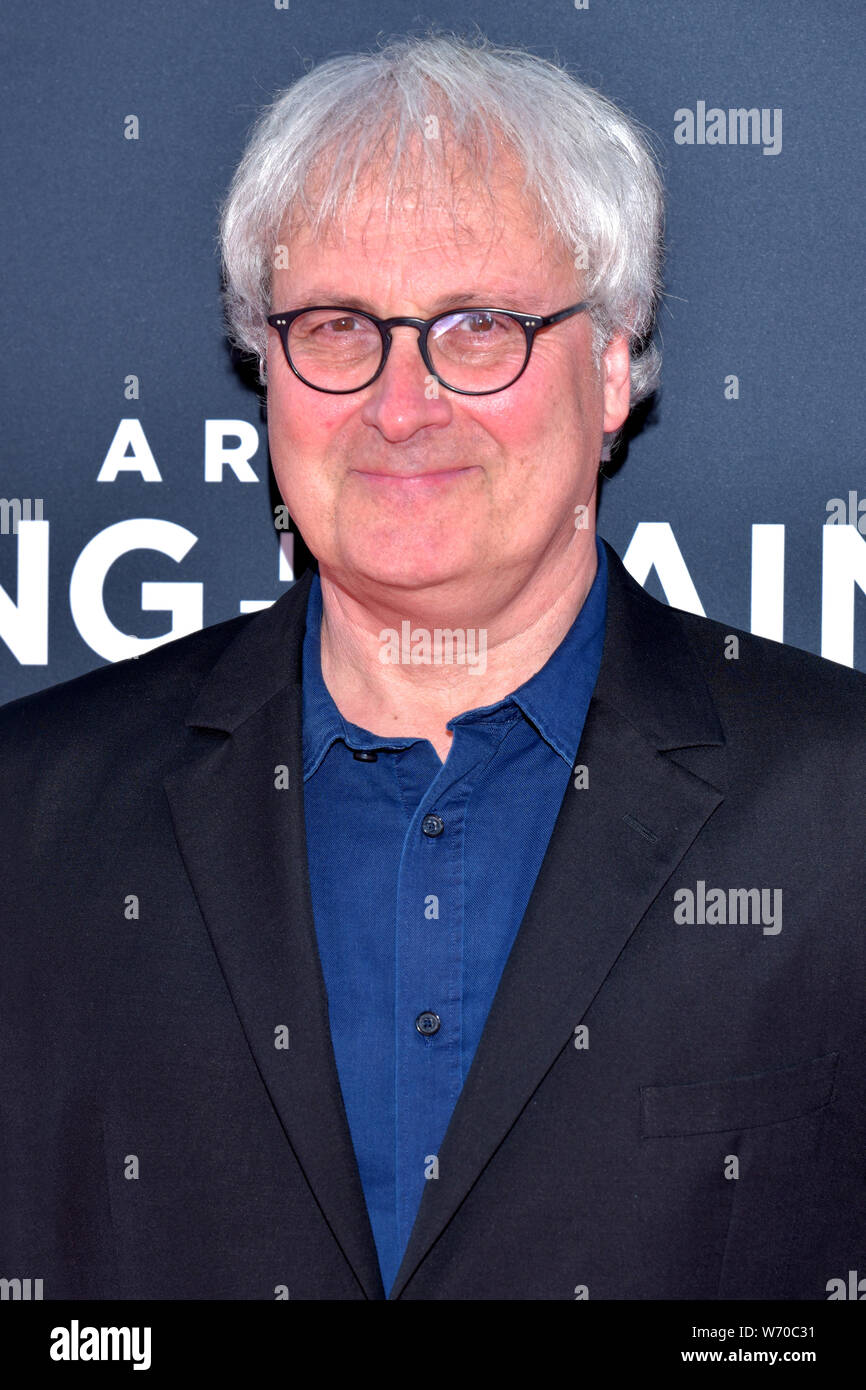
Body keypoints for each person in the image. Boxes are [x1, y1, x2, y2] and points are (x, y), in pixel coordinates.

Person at [1, 33, 863, 1302]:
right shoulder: (32, 820)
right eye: (337, 327)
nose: (400, 407)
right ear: (264, 364)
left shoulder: (839, 814)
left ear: (611, 366)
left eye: (477, 328)